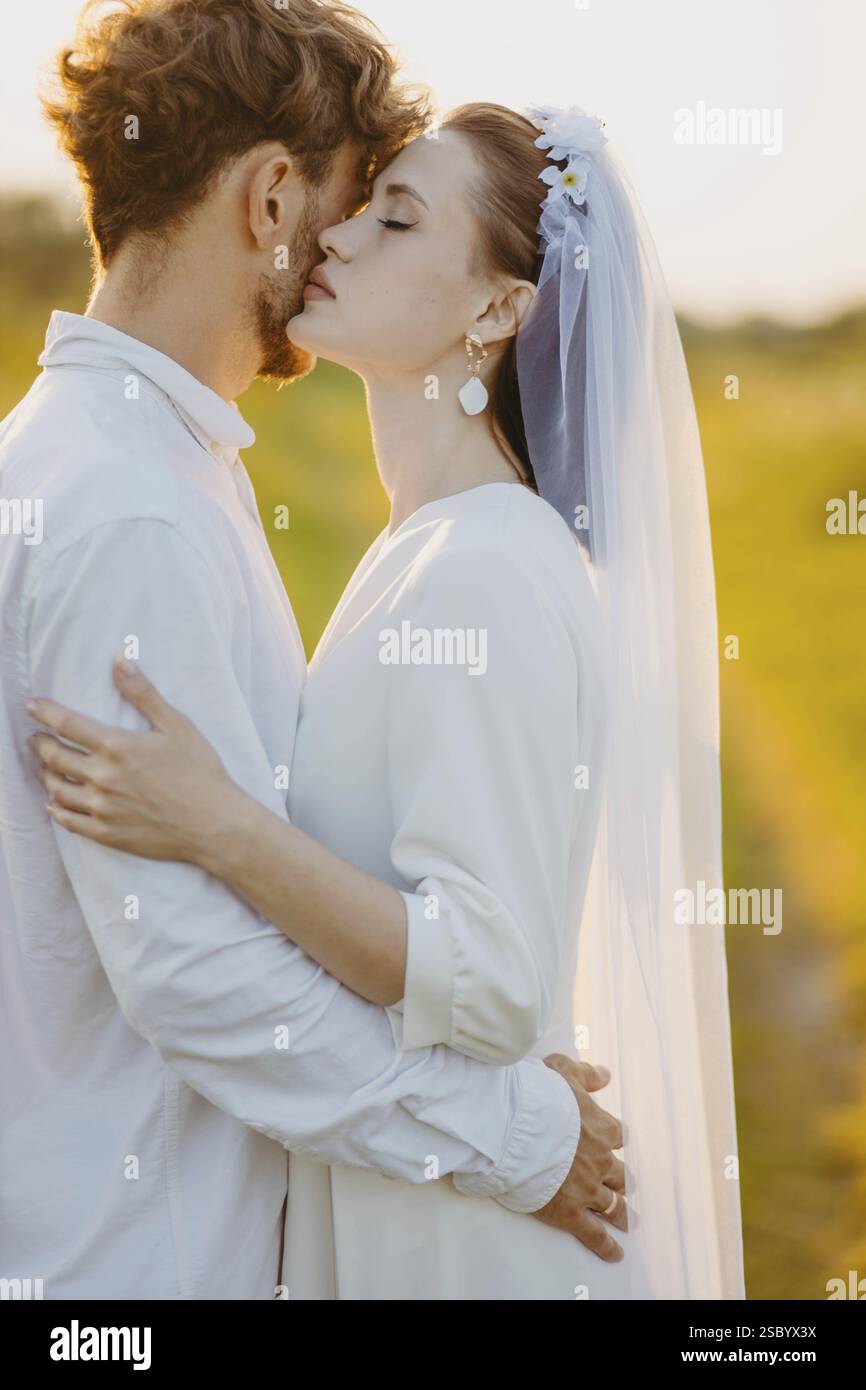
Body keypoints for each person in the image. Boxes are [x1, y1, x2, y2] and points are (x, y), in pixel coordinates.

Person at [23, 85, 745, 1300]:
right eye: (359, 207)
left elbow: (498, 974)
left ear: (498, 309)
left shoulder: (489, 569)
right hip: (401, 1198)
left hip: (458, 1243)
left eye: (395, 220)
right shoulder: (417, 551)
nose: (337, 235)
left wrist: (221, 826)